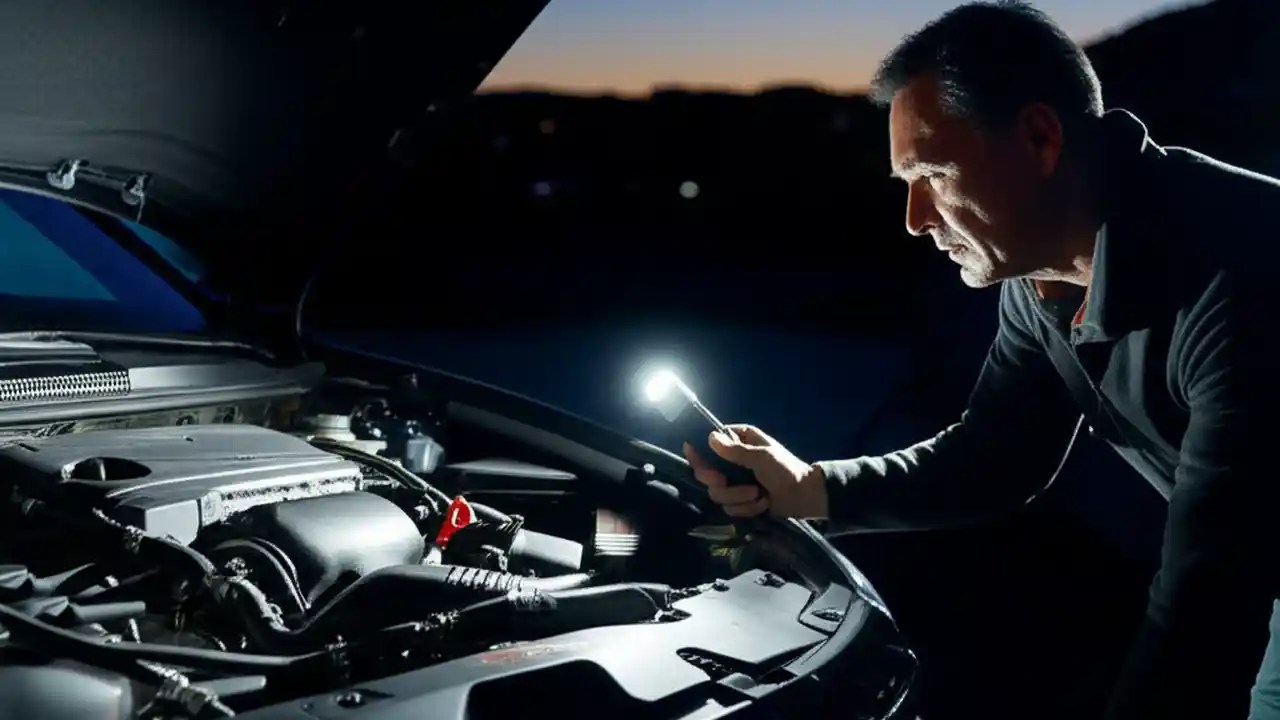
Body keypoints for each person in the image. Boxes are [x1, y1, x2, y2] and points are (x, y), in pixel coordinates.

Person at [683, 2, 1280, 718]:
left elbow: (1205, 605)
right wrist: (809, 487)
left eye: (932, 173)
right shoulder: (1044, 274)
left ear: (1039, 137)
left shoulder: (1242, 275)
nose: (915, 218)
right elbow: (999, 455)